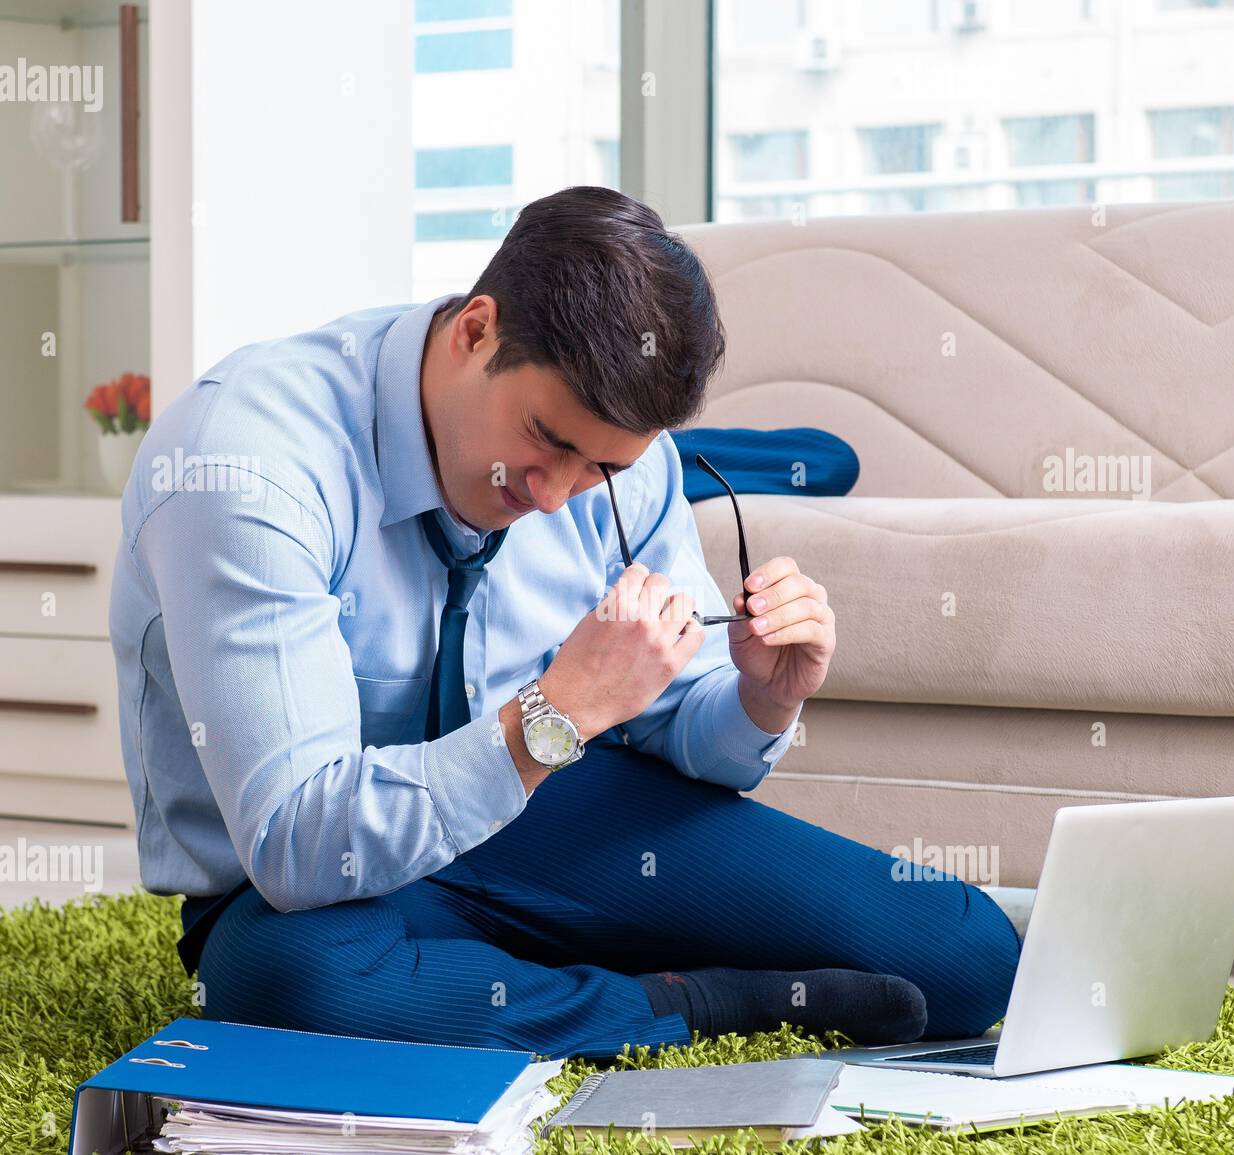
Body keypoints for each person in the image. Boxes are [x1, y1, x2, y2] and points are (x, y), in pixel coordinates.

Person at [108, 186, 1021, 1062]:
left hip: (545, 817)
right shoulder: (246, 471)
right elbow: (296, 845)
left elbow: (680, 725)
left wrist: (757, 700)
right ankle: (684, 1001)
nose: (552, 497)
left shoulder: (628, 466)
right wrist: (556, 713)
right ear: (476, 330)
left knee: (970, 960)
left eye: (598, 468)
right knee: (288, 982)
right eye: (543, 438)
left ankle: (516, 979)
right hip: (319, 886)